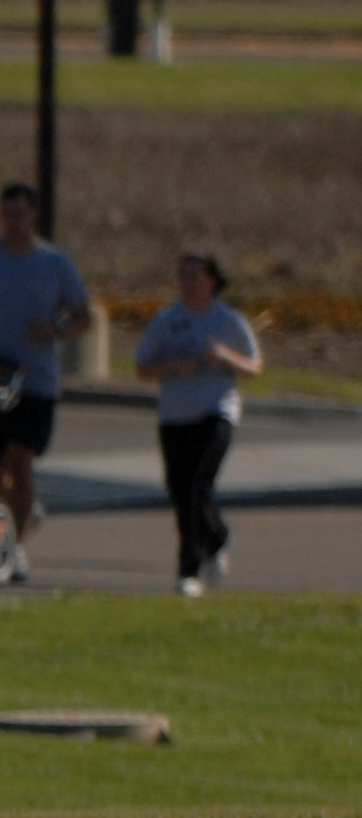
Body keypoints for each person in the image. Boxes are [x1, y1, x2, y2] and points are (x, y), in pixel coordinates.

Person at [0, 181, 92, 563]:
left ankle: (16, 548)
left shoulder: (55, 264)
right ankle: (8, 522)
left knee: (21, 458)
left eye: (21, 214)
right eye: (7, 214)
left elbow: (84, 317)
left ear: (34, 215)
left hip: (35, 379)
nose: (14, 222)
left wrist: (57, 329)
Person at [134, 251, 265, 597]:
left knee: (197, 483)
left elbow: (254, 367)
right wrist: (176, 365)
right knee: (179, 489)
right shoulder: (168, 319)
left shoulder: (228, 320)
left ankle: (188, 569)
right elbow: (143, 368)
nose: (189, 282)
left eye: (196, 275)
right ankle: (217, 536)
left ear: (212, 281)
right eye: (184, 275)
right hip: (175, 414)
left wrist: (226, 357)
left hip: (216, 411)